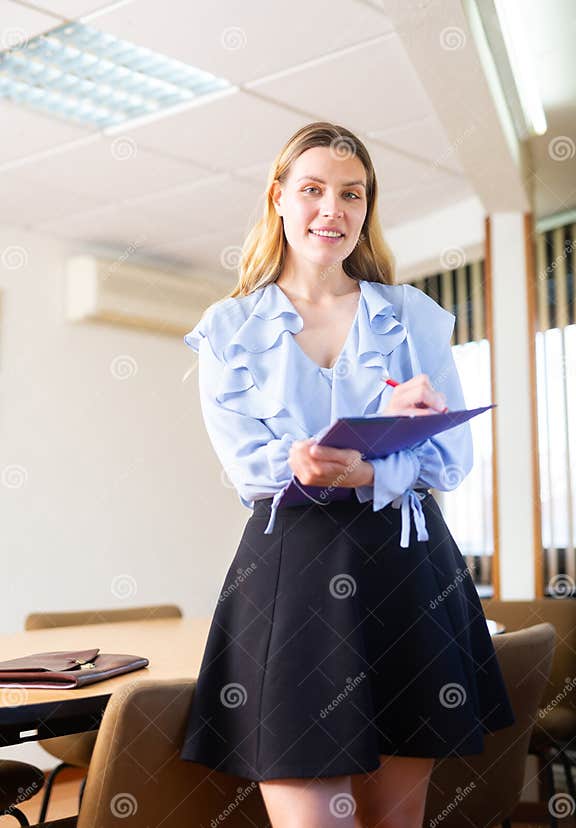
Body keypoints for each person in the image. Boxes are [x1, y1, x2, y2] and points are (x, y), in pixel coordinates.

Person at [179, 122, 515, 828]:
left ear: (366, 208)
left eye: (351, 194)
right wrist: (338, 463)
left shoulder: (411, 314)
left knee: (397, 821)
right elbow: (248, 466)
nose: (332, 210)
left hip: (407, 570)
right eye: (312, 191)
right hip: (292, 576)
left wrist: (367, 465)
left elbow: (452, 459)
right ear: (278, 199)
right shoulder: (229, 327)